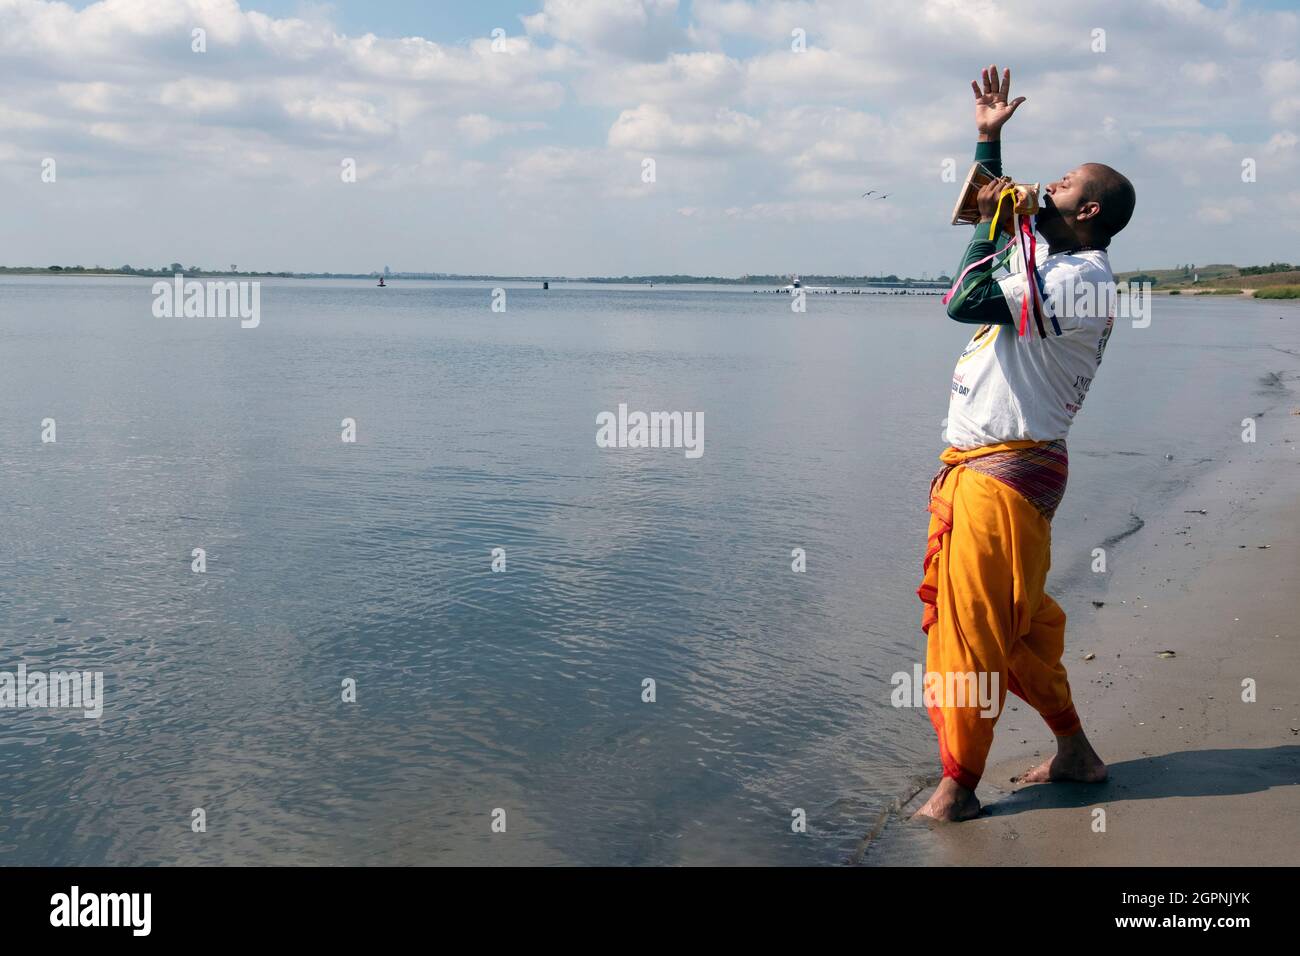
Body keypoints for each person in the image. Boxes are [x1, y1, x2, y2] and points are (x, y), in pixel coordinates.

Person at [914, 65, 1136, 822]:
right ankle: (1074, 752)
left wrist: (995, 216)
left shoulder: (1087, 281)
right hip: (998, 471)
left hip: (1005, 474)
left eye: (1064, 183)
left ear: (1091, 209)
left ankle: (958, 787)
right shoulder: (1053, 263)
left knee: (976, 628)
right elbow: (992, 228)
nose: (1050, 186)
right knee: (1014, 621)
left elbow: (965, 295)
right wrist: (987, 141)